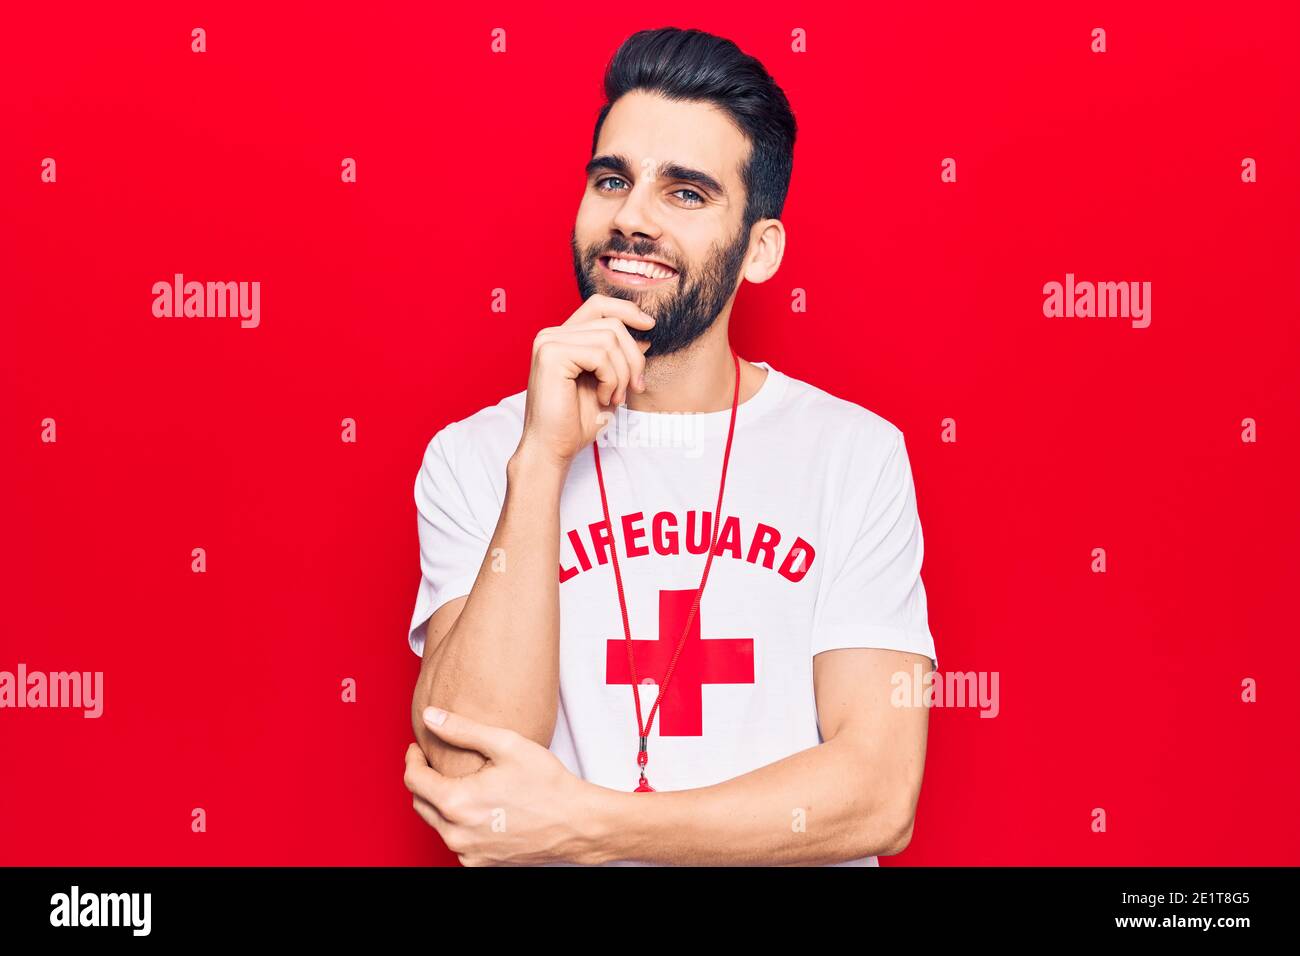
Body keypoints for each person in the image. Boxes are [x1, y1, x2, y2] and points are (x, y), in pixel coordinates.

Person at [402, 26, 938, 867]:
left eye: (684, 193)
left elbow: (877, 794)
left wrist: (588, 824)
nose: (630, 218)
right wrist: (541, 462)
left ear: (760, 250)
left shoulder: (852, 454)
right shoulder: (479, 457)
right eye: (612, 180)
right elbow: (469, 767)